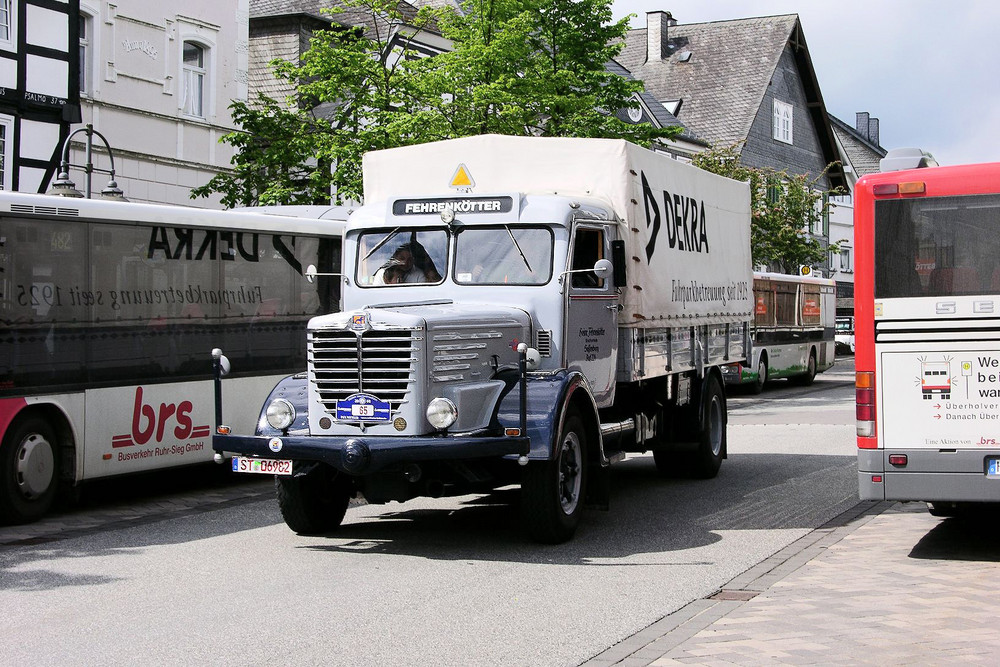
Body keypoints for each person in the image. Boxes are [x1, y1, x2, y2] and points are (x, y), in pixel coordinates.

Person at [373, 241, 442, 285]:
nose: (405, 262)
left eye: (410, 259)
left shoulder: (419, 274)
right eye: (402, 258)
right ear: (395, 257)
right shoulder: (382, 273)